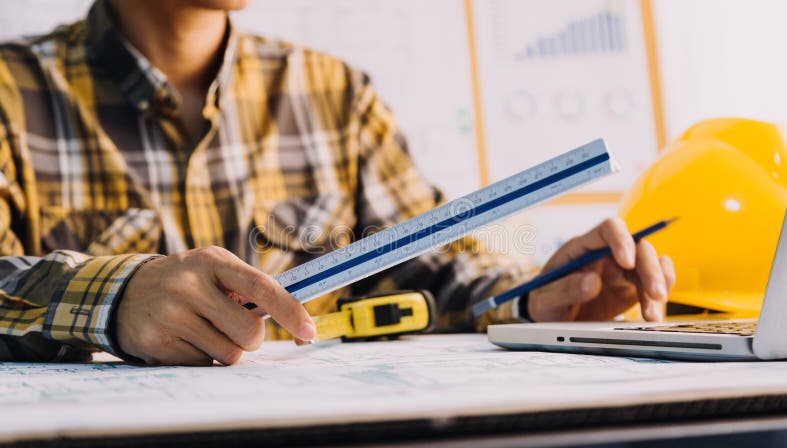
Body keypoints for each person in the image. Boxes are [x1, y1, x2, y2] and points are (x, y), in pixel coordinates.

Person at [0, 0, 674, 365]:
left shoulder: (337, 95)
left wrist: (535, 299)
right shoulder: (11, 90)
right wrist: (114, 296)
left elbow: (439, 273)